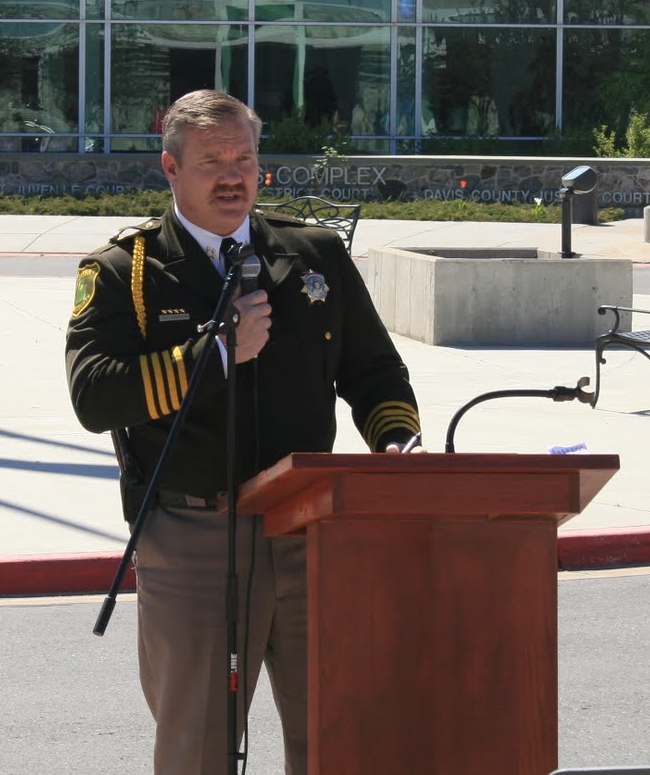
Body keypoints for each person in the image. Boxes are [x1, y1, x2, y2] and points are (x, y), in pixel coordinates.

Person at [64, 88, 422, 775]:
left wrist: (395, 441)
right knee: (199, 750)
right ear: (170, 168)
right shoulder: (125, 272)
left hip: (309, 529)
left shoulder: (313, 254)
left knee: (341, 737)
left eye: (245, 158)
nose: (233, 175)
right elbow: (94, 393)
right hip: (196, 535)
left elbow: (374, 371)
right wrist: (216, 353)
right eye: (212, 161)